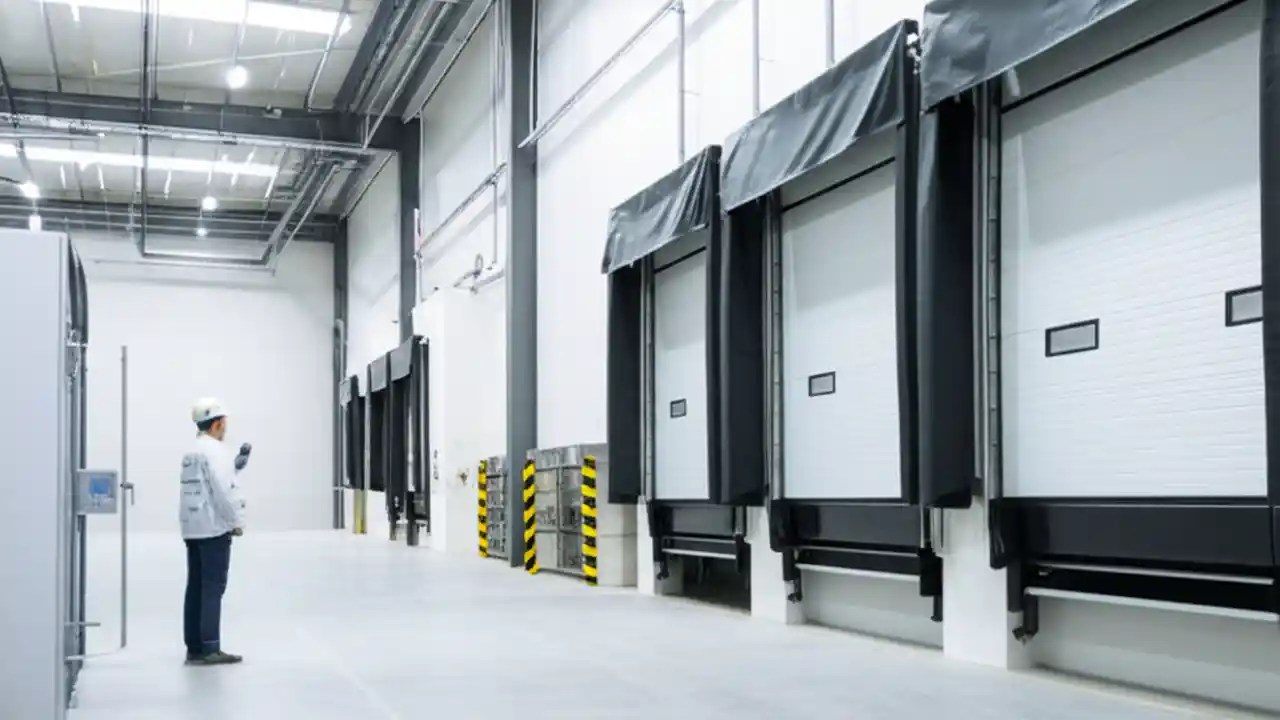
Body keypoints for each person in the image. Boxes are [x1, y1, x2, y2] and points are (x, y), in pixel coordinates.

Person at [180, 398, 250, 666]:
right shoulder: (216, 451)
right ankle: (211, 647)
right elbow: (224, 491)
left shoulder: (192, 450)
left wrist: (235, 467)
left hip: (192, 527)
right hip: (213, 528)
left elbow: (207, 482)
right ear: (218, 423)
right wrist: (237, 521)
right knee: (213, 588)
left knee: (195, 587)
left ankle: (195, 647)